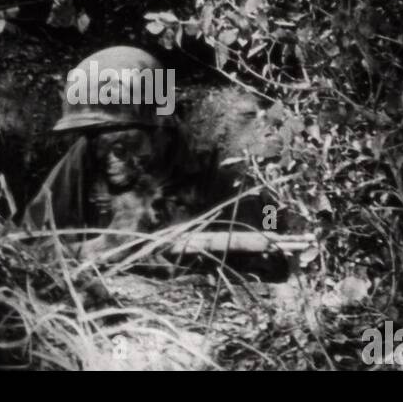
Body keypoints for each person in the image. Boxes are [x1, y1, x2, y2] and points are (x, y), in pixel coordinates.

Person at [18, 46, 270, 262]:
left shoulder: (222, 162)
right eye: (98, 140)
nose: (109, 159)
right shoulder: (87, 154)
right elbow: (26, 245)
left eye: (123, 145)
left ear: (161, 130)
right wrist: (101, 247)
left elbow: (274, 234)